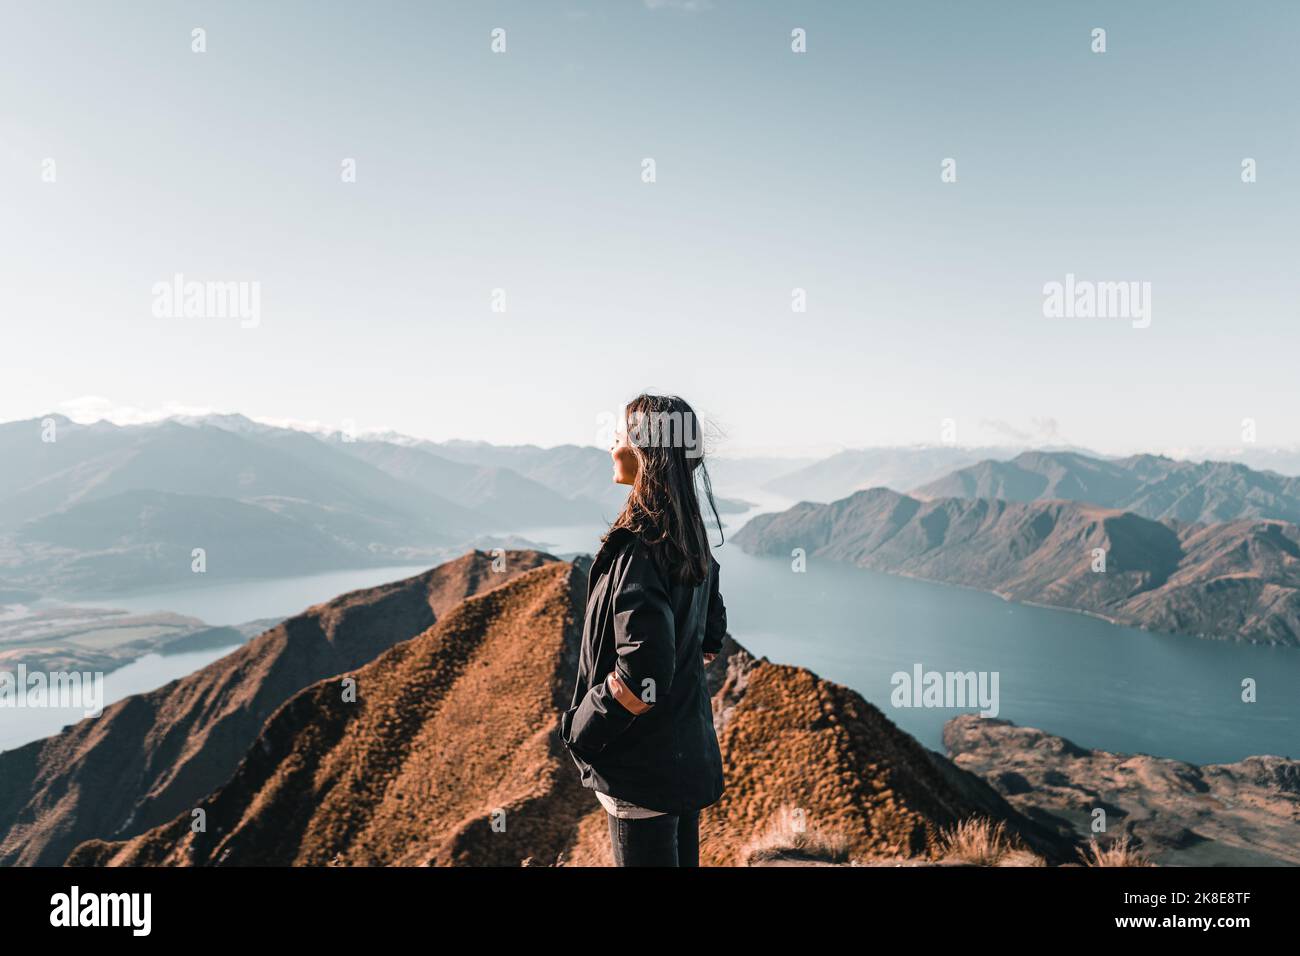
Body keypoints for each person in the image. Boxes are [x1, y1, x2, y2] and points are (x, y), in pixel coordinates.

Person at [560, 393, 728, 866]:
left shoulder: (640, 548)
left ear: (643, 450)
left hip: (643, 770)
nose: (611, 443)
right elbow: (710, 637)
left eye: (618, 433)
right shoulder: (689, 537)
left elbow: (643, 673)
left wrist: (582, 728)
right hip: (682, 759)